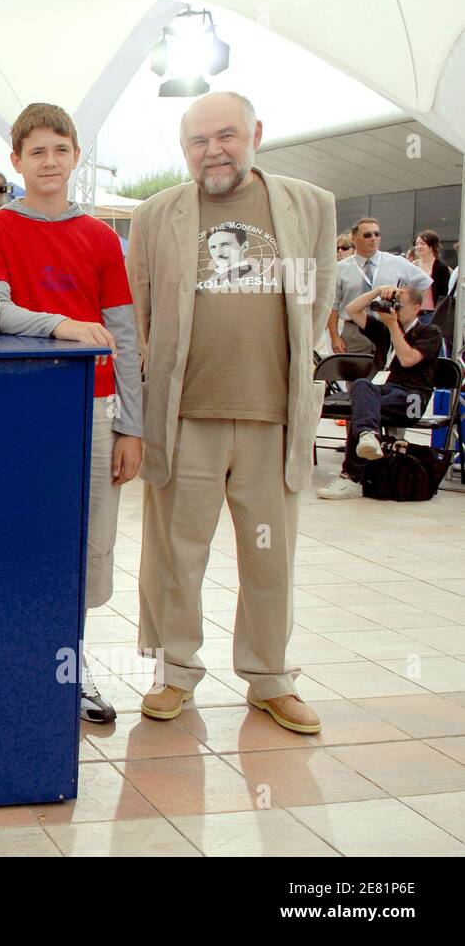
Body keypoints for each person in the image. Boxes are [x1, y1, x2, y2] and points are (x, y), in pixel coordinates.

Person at [127, 91, 335, 735]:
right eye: (198, 140)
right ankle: (175, 671)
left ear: (256, 134)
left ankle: (270, 677)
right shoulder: (158, 215)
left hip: (273, 414)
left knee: (269, 555)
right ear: (184, 148)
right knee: (177, 552)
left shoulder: (308, 206)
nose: (212, 150)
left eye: (226, 135)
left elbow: (313, 298)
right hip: (186, 413)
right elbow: (140, 314)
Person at [0, 102, 142, 723]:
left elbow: (122, 333)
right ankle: (9, 662)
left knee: (88, 539)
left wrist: (132, 425)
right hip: (17, 408)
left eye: (60, 150)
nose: (49, 162)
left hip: (94, 409)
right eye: (36, 152)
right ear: (15, 161)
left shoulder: (99, 237)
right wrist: (65, 327)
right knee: (17, 535)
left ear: (75, 156)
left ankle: (73, 664)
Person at [317, 285, 442, 499]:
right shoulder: (384, 328)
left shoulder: (429, 332)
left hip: (412, 397)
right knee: (362, 385)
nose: (394, 309)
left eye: (399, 305)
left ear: (417, 308)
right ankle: (368, 436)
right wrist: (378, 292)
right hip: (381, 391)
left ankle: (351, 476)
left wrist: (393, 325)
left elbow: (407, 359)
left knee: (363, 409)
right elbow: (352, 309)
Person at [330, 218, 430, 356]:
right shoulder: (340, 268)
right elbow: (333, 306)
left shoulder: (396, 262)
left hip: (388, 326)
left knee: (389, 374)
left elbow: (424, 283)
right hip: (354, 330)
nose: (373, 238)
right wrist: (334, 337)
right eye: (367, 235)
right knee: (355, 374)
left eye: (377, 234)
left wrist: (407, 306)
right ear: (354, 239)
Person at [412, 229, 450, 325]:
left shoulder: (441, 267)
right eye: (417, 244)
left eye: (422, 244)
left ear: (432, 246)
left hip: (431, 313)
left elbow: (444, 294)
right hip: (413, 313)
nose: (418, 247)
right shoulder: (412, 265)